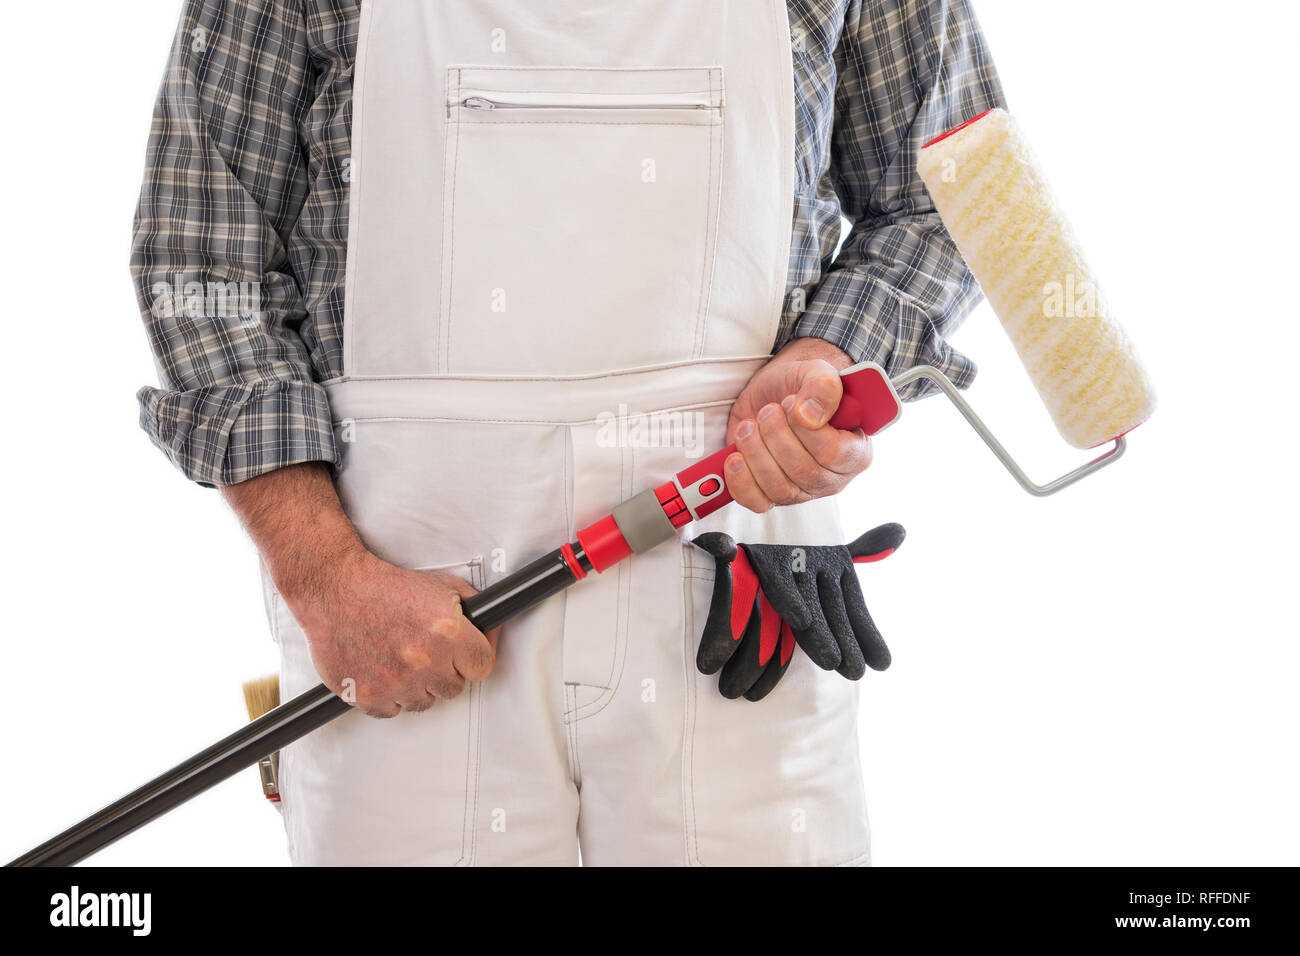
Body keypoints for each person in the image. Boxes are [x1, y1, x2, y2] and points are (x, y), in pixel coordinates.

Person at [133, 0, 1004, 865]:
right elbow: (205, 253)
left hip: (735, 583)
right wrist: (325, 577)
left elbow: (956, 195)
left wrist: (826, 359)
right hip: (403, 611)